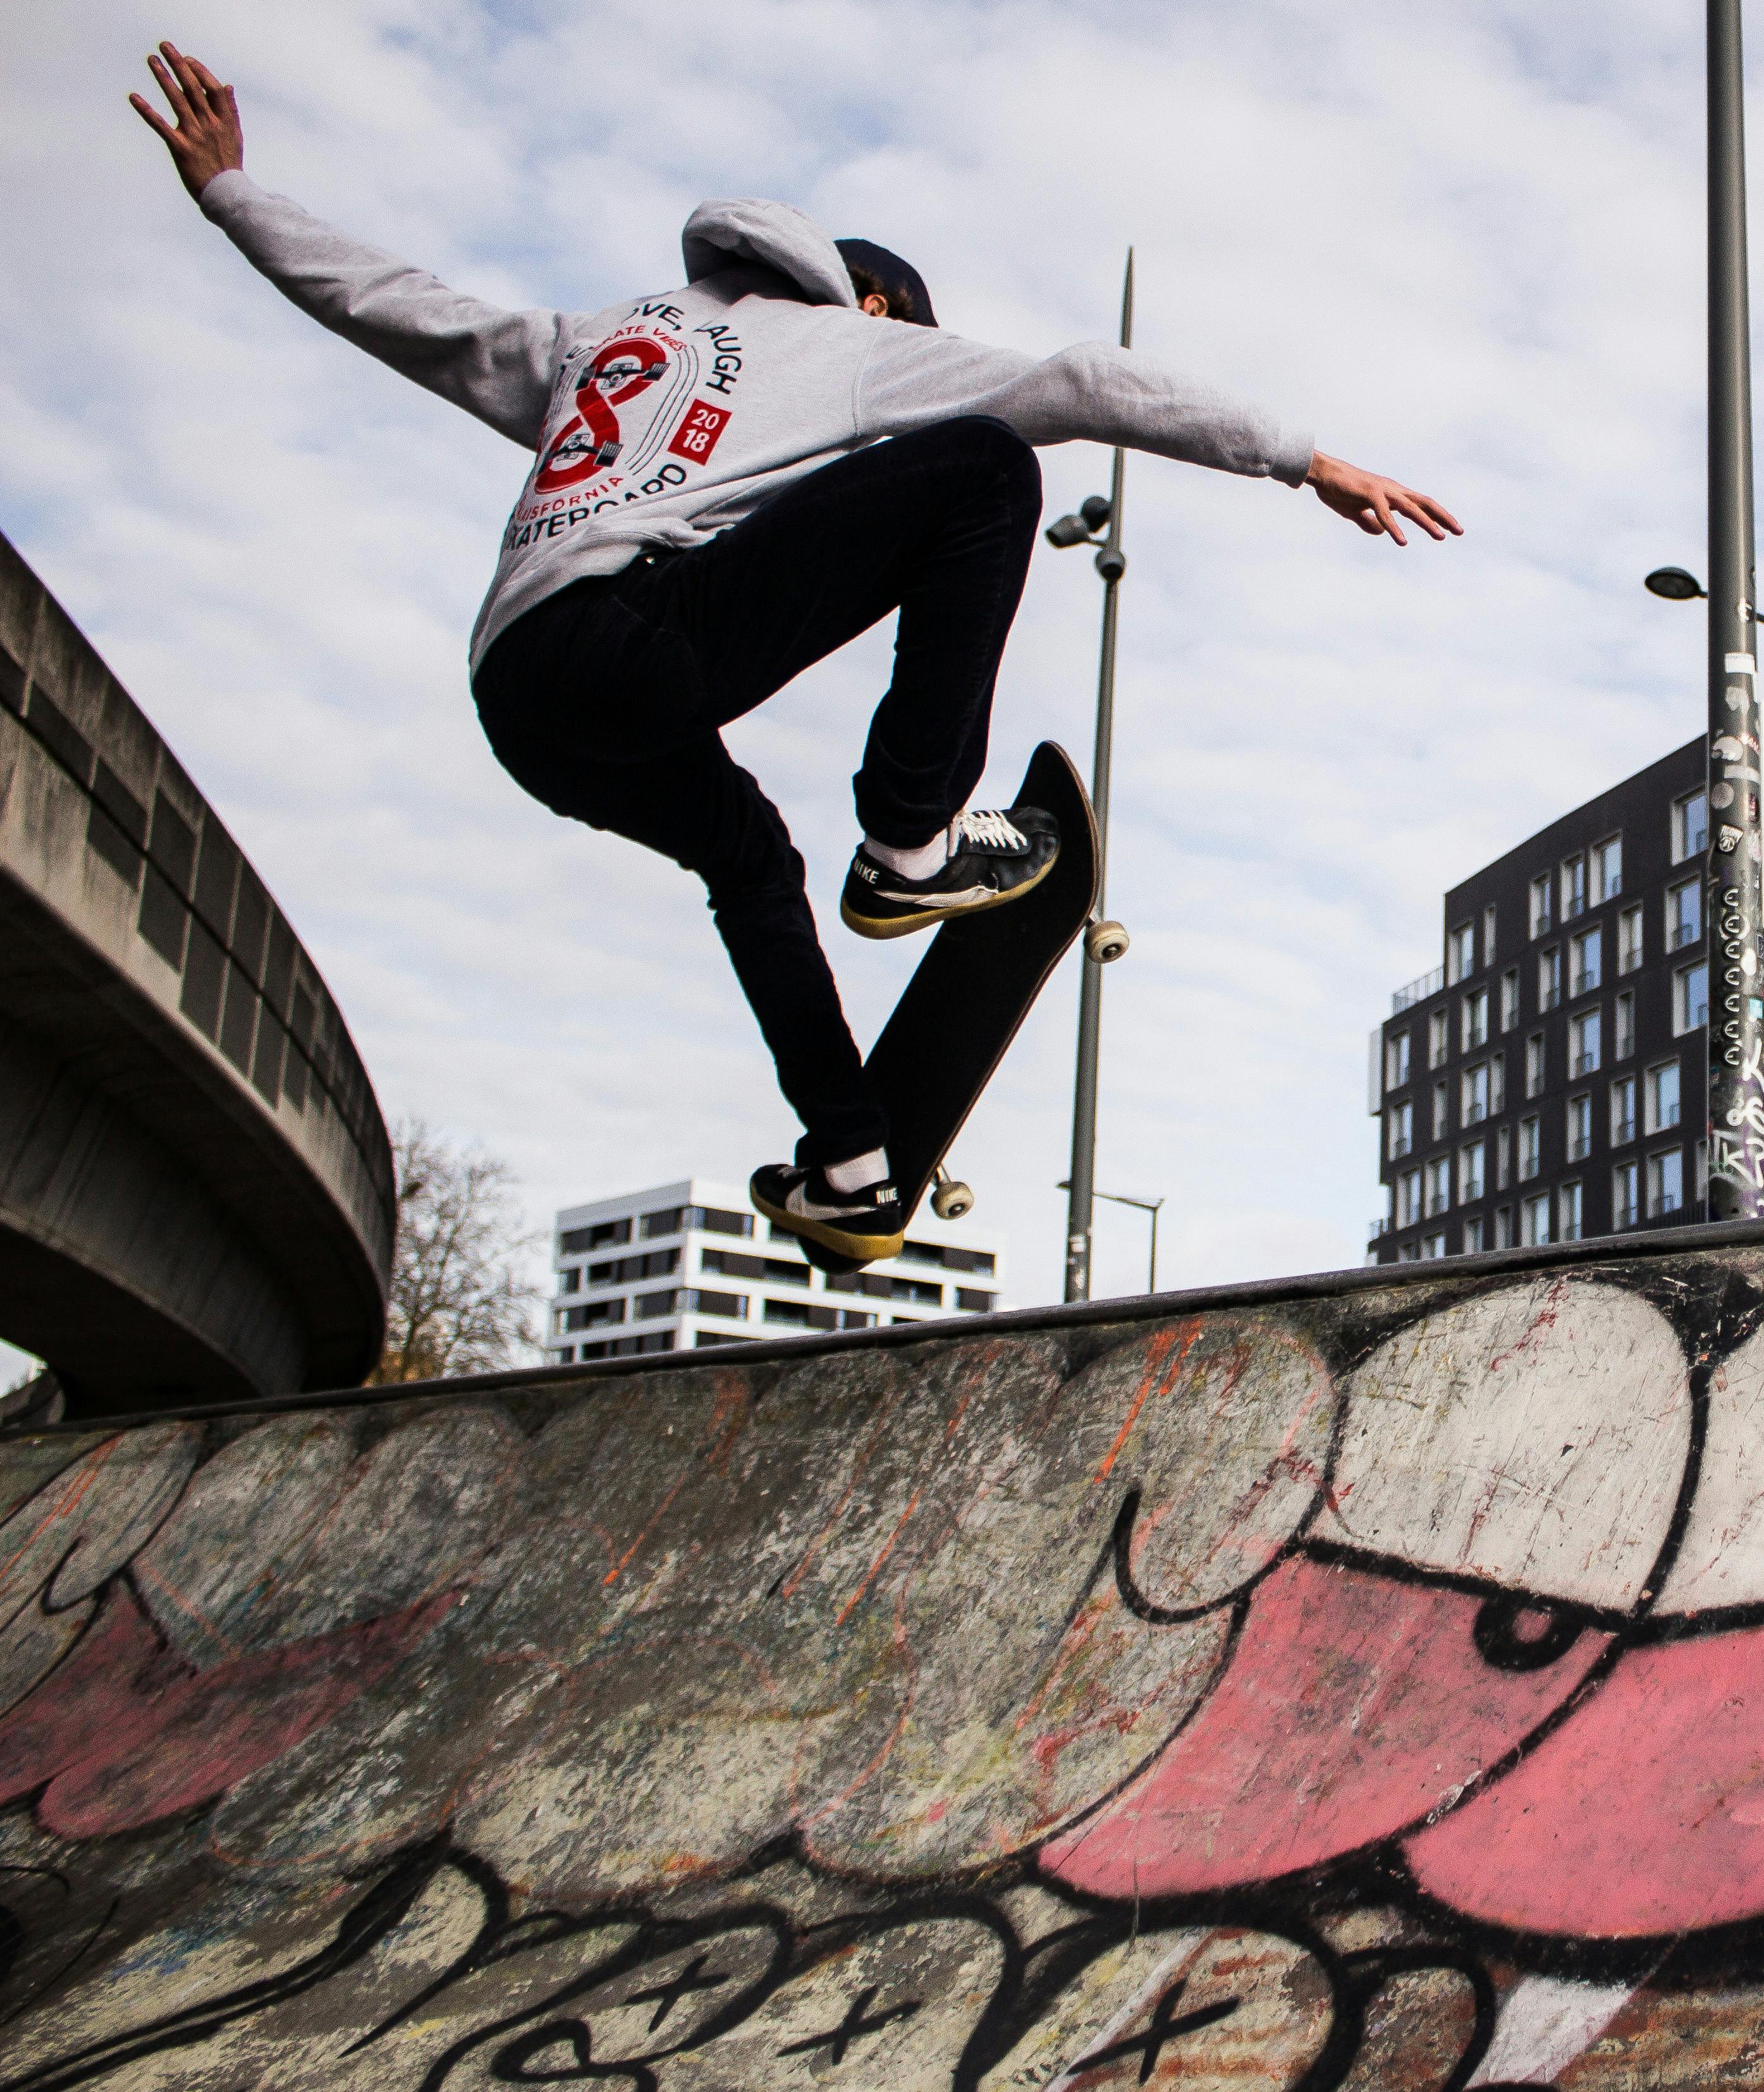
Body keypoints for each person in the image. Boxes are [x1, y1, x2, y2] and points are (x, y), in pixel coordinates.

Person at [130, 41, 1460, 1263]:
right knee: (991, 466)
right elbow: (1084, 381)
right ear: (872, 299)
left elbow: (390, 302)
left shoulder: (590, 341)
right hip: (639, 636)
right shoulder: (851, 342)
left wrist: (232, 192)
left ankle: (849, 1166)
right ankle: (911, 842)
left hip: (523, 685)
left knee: (748, 855)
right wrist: (1301, 459)